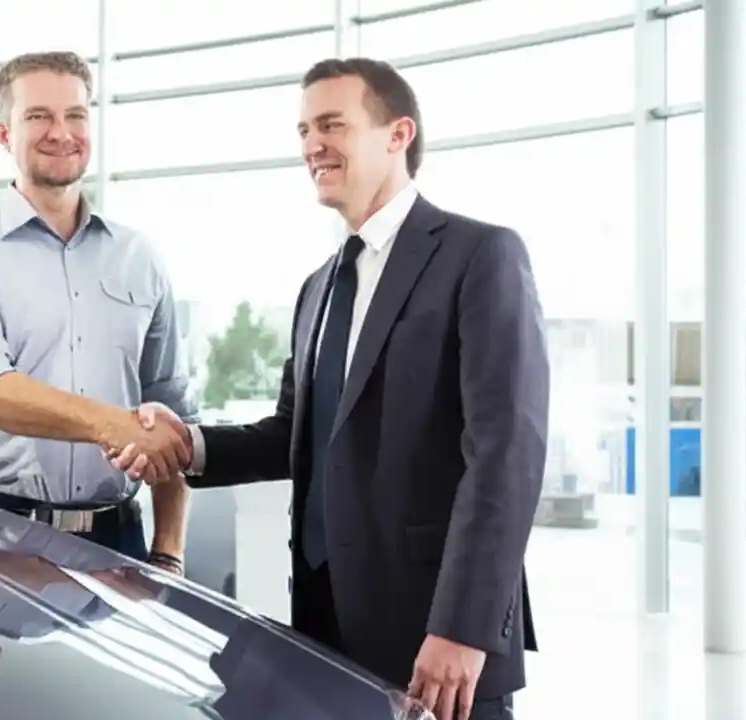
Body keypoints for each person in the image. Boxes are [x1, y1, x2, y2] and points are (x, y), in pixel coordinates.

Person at [113, 57, 549, 720]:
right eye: (303, 130)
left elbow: (506, 458)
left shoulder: (479, 256)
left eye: (331, 125)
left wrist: (463, 626)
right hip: (325, 625)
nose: (311, 145)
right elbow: (297, 434)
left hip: (438, 635)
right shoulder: (318, 288)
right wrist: (188, 444)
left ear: (398, 134)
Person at [0, 51, 194, 571]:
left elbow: (172, 409)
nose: (61, 131)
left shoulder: (140, 258)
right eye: (38, 116)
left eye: (75, 115)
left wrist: (169, 553)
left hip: (120, 544)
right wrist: (109, 424)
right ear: (4, 134)